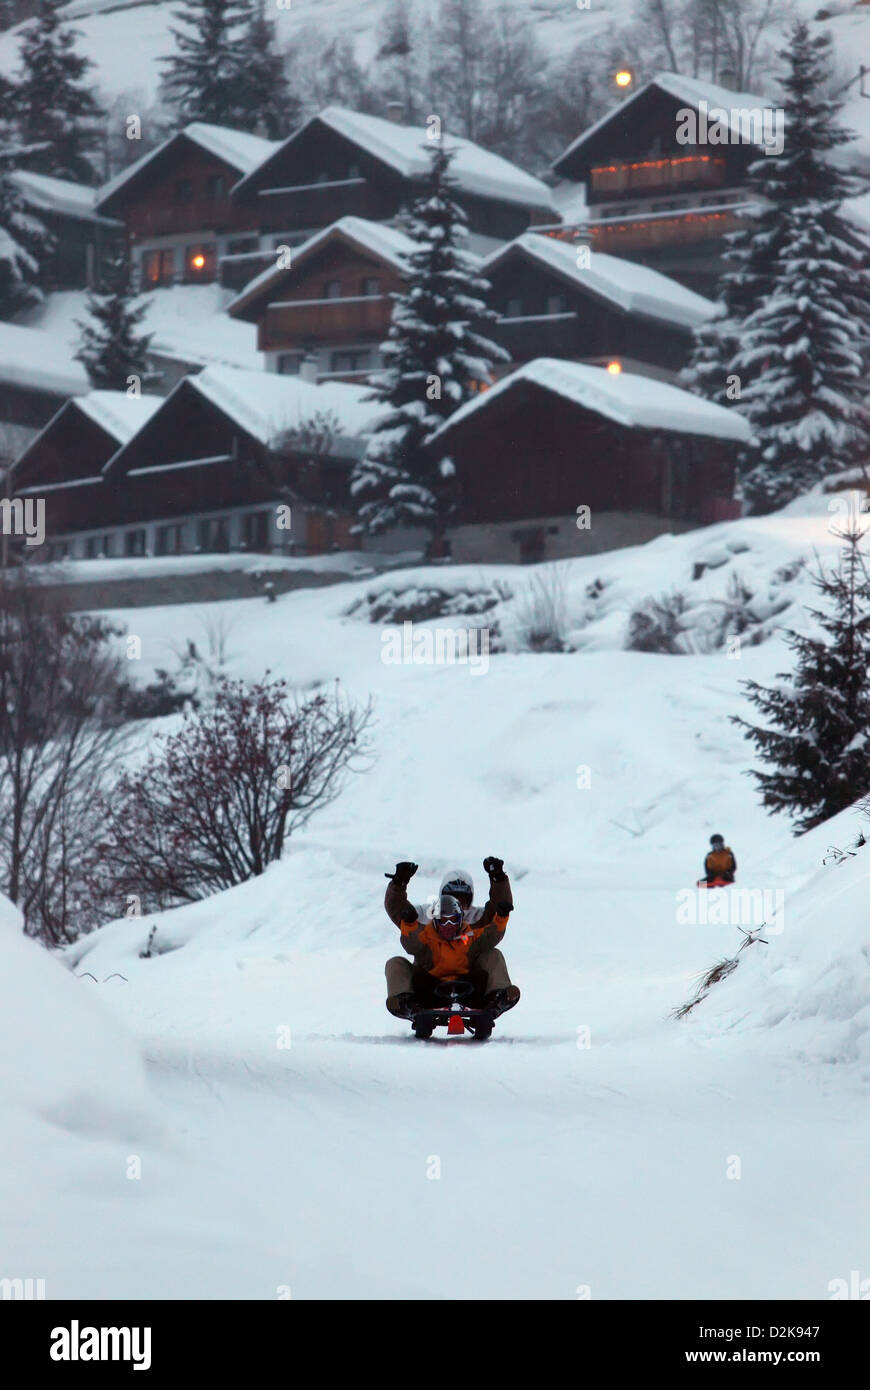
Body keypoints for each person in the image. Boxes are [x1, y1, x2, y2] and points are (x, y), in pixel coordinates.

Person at [384, 858, 520, 1019]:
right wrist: (398, 884)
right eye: (452, 896)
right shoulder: (425, 914)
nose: (457, 903)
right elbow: (398, 910)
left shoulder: (477, 917)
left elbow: (499, 911)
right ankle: (405, 1000)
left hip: (469, 978)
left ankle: (497, 996)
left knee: (493, 954)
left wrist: (498, 879)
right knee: (396, 963)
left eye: (463, 898)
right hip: (428, 978)